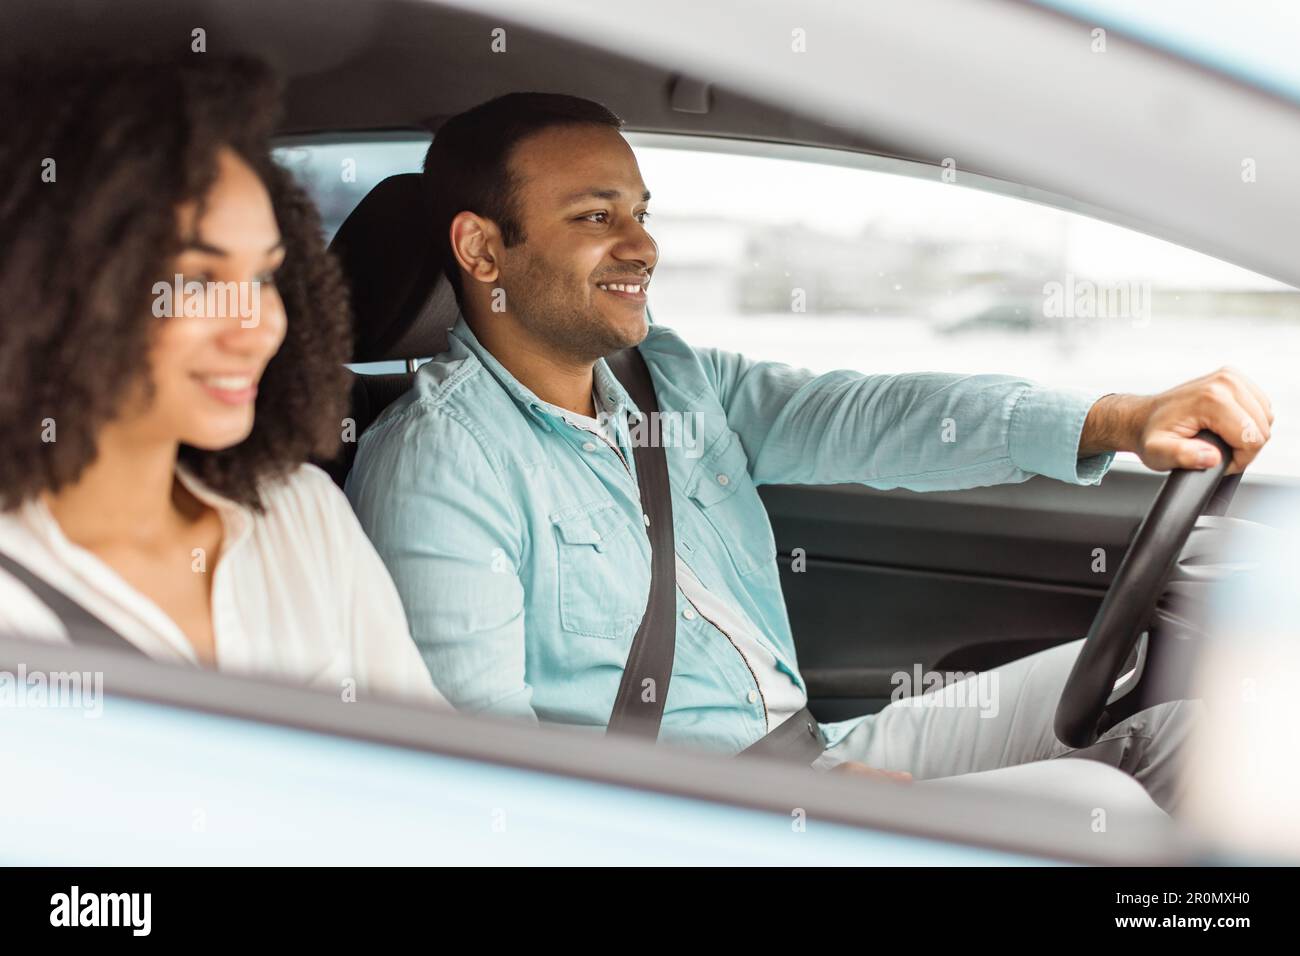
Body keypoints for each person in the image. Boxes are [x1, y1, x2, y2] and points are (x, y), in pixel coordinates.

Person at [345, 93, 1273, 808]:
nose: (643, 247)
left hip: (809, 755)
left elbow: (872, 415)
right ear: (482, 250)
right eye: (596, 218)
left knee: (1205, 732)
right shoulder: (439, 464)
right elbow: (492, 781)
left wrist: (1119, 420)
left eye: (642, 212)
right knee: (1109, 806)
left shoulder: (666, 381)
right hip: (696, 820)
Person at [0, 57, 446, 707]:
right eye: (197, 281)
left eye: (264, 277)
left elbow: (421, 753)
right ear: (53, 291)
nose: (260, 327)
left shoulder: (302, 514)